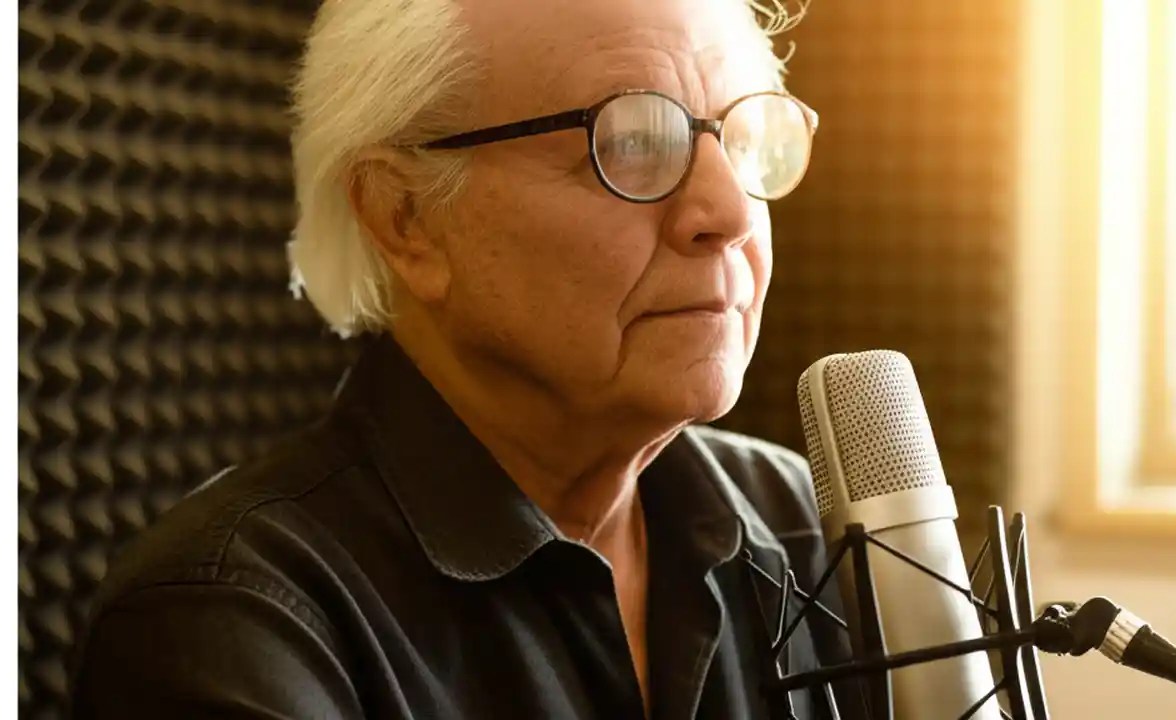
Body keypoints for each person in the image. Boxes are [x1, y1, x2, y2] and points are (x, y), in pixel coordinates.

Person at [71, 0, 863, 717]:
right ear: (405, 218)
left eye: (743, 139)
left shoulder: (804, 521)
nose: (726, 213)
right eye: (632, 143)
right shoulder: (233, 619)